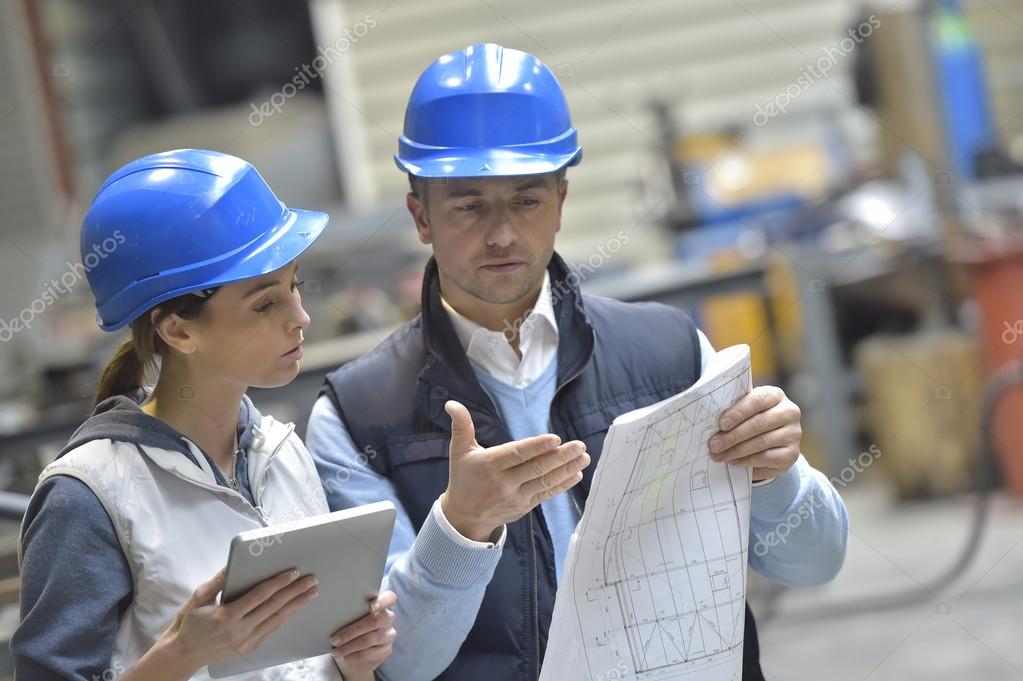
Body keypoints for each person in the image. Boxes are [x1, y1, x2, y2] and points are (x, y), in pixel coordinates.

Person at [305, 43, 849, 681]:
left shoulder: (675, 355)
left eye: (527, 200)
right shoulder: (356, 417)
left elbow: (815, 564)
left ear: (562, 200)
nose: (502, 232)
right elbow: (396, 665)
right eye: (469, 206)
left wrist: (776, 474)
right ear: (420, 216)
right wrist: (461, 528)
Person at [13, 150, 397, 681]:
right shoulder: (88, 497)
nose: (301, 318)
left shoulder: (282, 451)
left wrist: (353, 663)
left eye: (295, 287)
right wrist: (182, 654)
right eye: (265, 304)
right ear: (178, 330)